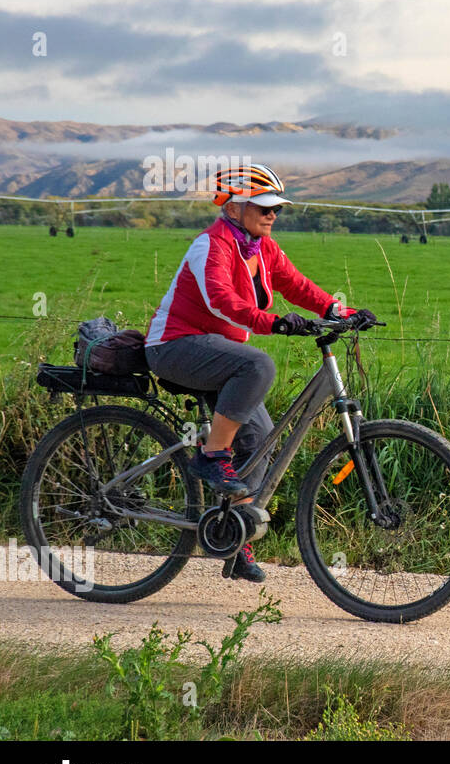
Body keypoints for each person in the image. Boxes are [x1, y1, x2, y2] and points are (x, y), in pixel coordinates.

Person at [143, 164, 375, 581]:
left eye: (277, 209)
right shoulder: (209, 245)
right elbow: (220, 301)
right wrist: (274, 323)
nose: (272, 215)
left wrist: (340, 312)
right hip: (174, 346)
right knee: (258, 363)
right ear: (233, 208)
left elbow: (296, 284)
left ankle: (234, 536)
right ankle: (211, 456)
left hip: (217, 354)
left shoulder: (260, 247)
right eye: (263, 207)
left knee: (260, 443)